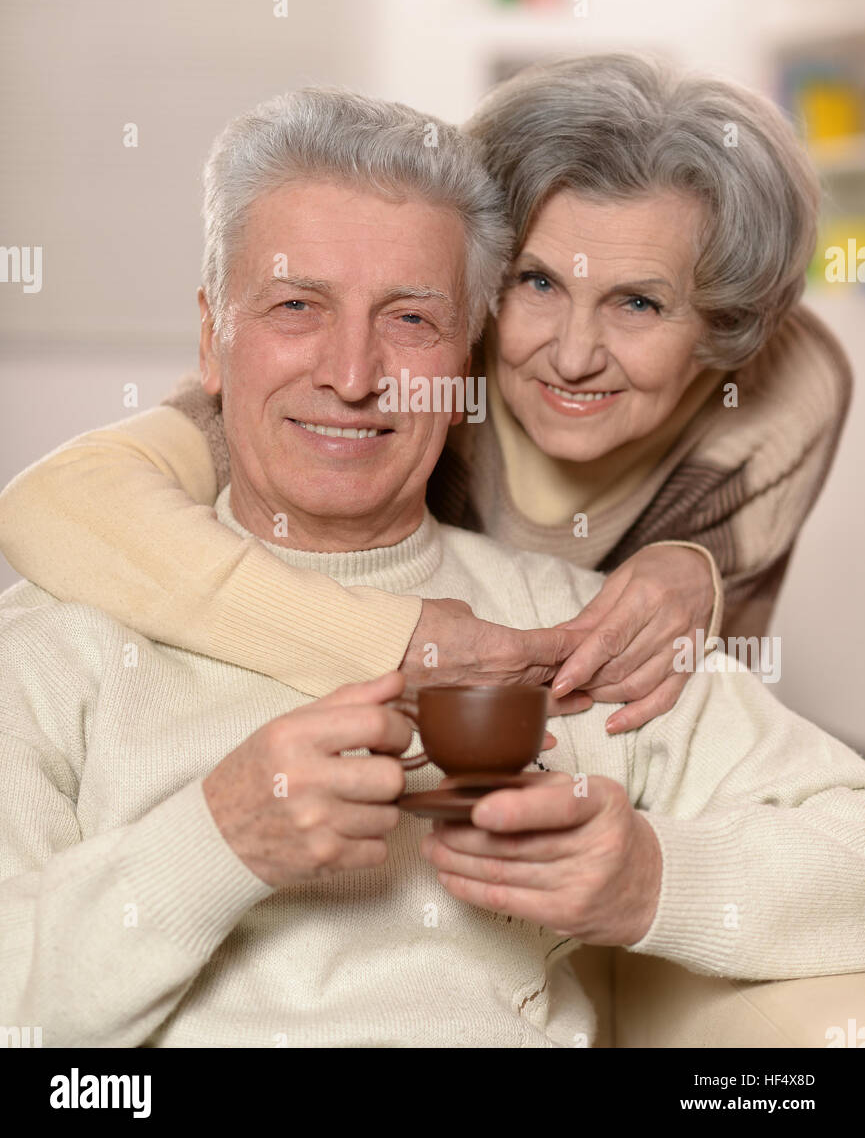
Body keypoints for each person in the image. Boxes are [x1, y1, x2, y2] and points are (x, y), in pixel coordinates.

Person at [1, 88, 863, 1049]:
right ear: (213, 338)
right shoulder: (58, 637)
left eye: (411, 320)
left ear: (467, 353)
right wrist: (217, 841)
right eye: (295, 306)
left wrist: (655, 878)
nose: (353, 373)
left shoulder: (586, 638)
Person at [0, 57, 849, 733]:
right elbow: (55, 509)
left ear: (721, 323)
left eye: (638, 302)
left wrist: (697, 576)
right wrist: (396, 644)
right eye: (537, 283)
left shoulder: (786, 391)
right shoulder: (396, 355)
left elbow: (691, 713)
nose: (576, 355)